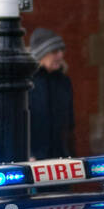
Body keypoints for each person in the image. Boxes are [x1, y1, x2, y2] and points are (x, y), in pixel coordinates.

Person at [28, 28, 75, 159]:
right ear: (41, 54)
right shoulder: (26, 82)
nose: (60, 55)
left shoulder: (64, 81)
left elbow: (70, 125)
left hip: (60, 157)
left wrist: (71, 155)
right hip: (34, 158)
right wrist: (29, 154)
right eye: (54, 51)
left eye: (61, 51)